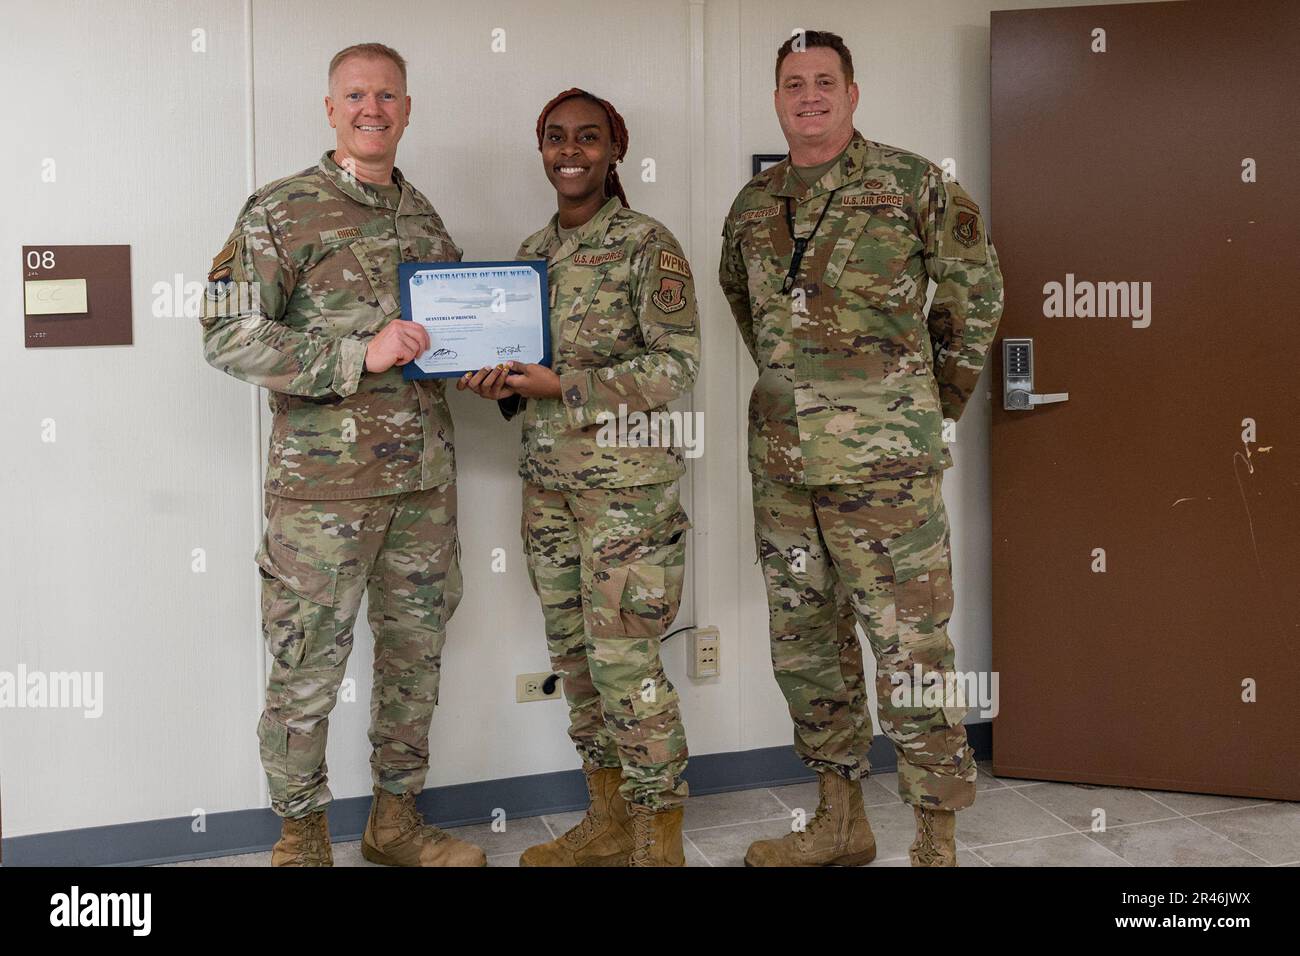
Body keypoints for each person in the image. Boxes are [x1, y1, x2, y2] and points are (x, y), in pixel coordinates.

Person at [718, 30, 1004, 866]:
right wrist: (799, 390)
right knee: (806, 648)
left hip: (888, 475)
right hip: (785, 469)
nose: (808, 96)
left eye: (823, 81)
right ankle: (840, 821)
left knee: (912, 652)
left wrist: (925, 405)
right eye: (792, 83)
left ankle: (935, 842)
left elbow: (975, 292)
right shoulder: (752, 205)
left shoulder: (913, 184)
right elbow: (747, 307)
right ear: (777, 98)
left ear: (851, 93)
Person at [200, 42, 483, 867]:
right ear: (331, 109)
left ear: (407, 109)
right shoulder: (281, 210)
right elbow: (225, 333)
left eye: (387, 95)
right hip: (322, 496)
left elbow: (445, 337)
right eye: (355, 95)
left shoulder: (423, 216)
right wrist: (360, 353)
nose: (372, 109)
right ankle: (301, 840)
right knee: (306, 670)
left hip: (422, 486)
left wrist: (485, 361)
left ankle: (395, 822)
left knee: (414, 661)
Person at [458, 88, 700, 867]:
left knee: (627, 666)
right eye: (556, 138)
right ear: (542, 150)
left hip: (627, 499)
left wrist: (564, 385)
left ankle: (658, 839)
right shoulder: (531, 254)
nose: (571, 151)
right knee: (576, 661)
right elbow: (525, 370)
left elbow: (677, 366)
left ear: (614, 149)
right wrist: (502, 386)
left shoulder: (646, 245)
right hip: (549, 491)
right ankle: (609, 820)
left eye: (588, 137)